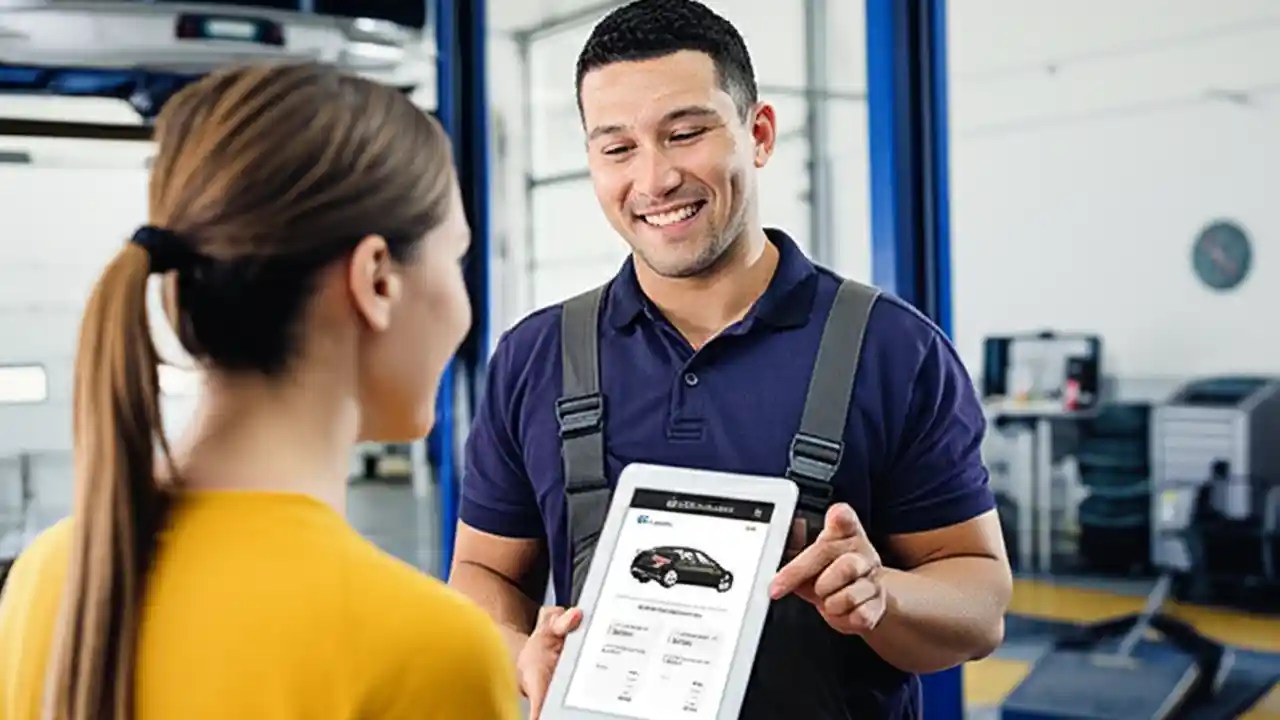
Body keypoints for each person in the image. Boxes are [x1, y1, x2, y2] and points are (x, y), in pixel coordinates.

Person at [450, 1, 1013, 718]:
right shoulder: (536, 357)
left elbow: (980, 604)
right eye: (617, 148)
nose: (653, 181)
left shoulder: (894, 351)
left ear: (760, 134)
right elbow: (482, 570)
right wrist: (514, 649)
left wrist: (883, 594)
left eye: (684, 134)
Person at [0, 63, 520, 720]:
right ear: (377, 281)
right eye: (457, 257)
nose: (463, 304)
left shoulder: (52, 576)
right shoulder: (428, 649)